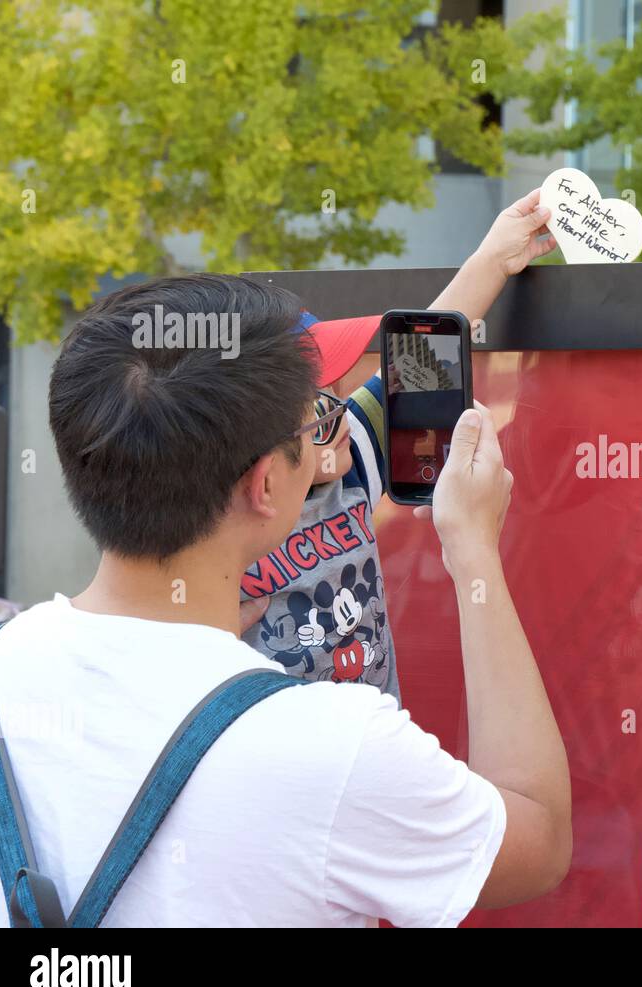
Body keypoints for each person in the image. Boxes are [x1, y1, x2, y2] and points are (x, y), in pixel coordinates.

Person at [0, 272, 571, 927]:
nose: (339, 422)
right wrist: (473, 551)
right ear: (266, 483)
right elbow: (537, 838)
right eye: (320, 416)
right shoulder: (332, 749)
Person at [238, 189, 559, 703]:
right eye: (323, 409)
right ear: (261, 465)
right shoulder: (221, 536)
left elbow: (418, 360)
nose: (345, 415)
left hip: (378, 746)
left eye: (341, 393)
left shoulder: (348, 468)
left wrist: (494, 258)